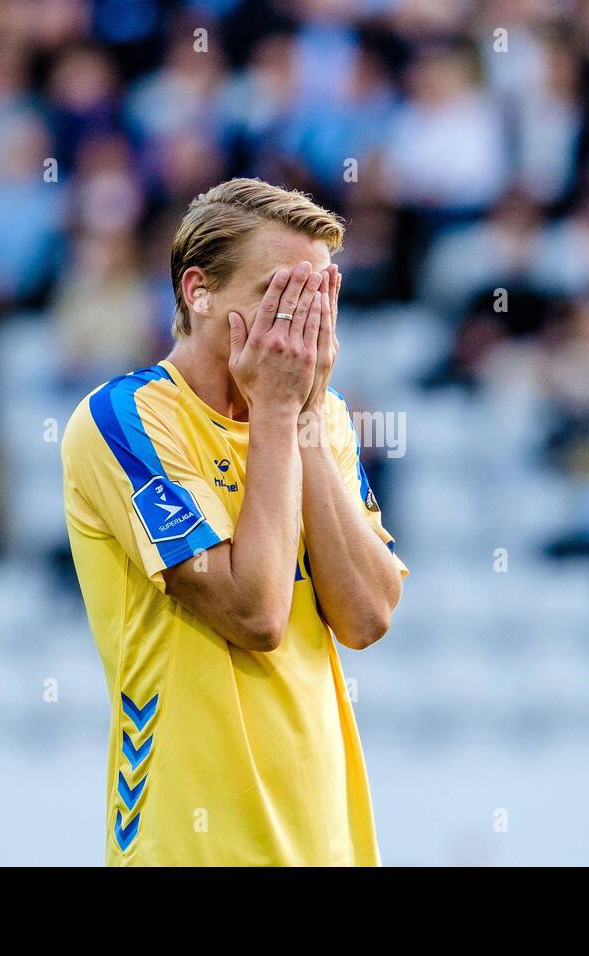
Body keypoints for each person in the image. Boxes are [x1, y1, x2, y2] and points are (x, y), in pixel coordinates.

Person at [61, 178, 407, 866]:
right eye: (278, 297)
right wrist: (281, 413)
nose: (299, 330)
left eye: (316, 301)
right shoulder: (124, 419)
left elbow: (368, 616)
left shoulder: (323, 416)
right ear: (198, 291)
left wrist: (301, 420)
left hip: (326, 845)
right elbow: (255, 613)